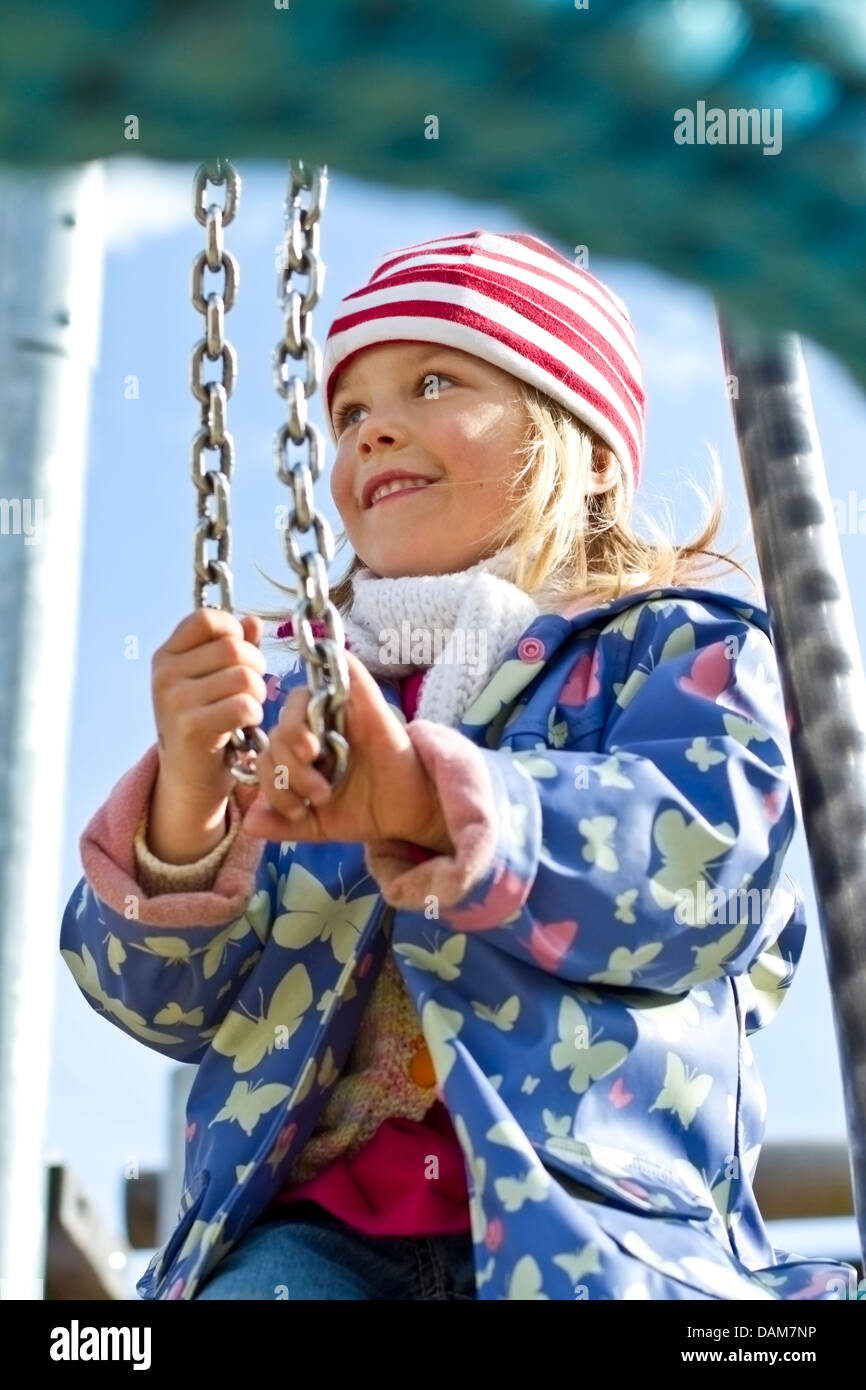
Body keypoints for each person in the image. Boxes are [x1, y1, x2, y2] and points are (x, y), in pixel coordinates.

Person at [60, 229, 858, 1301]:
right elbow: (162, 1004)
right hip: (308, 1238)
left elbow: (699, 878)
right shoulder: (301, 702)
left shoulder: (668, 653)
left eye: (431, 380)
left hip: (590, 1227)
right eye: (346, 416)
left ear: (573, 441)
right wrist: (187, 814)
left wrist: (439, 808)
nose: (371, 428)